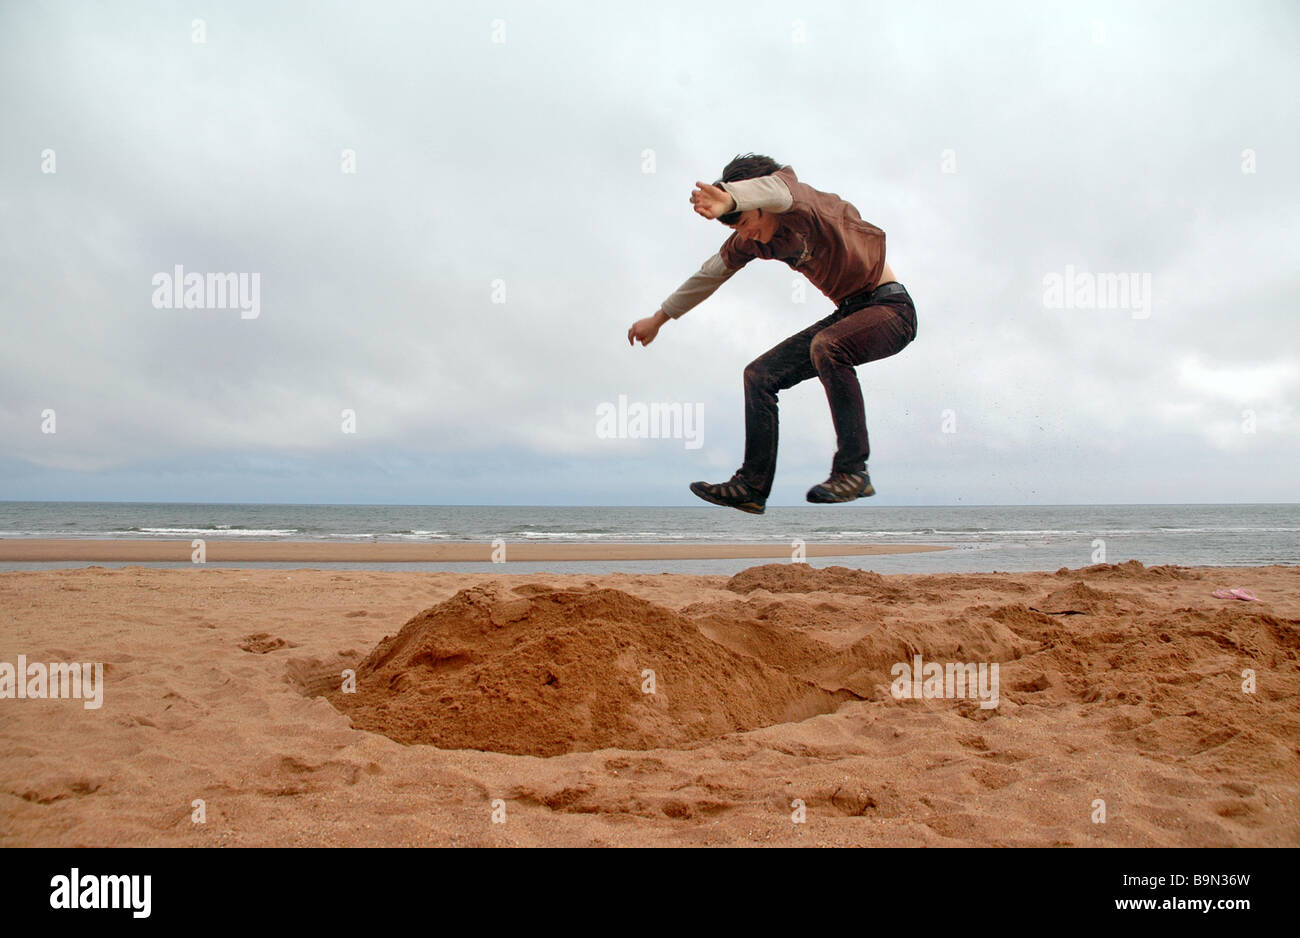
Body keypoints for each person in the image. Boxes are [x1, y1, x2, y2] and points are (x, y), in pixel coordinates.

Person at [627, 153, 917, 514]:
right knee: (760, 375)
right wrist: (659, 318)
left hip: (891, 309)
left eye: (746, 220)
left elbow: (778, 189)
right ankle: (752, 486)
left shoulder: (802, 204)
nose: (745, 232)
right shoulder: (752, 240)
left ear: (760, 202)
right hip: (851, 313)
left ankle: (853, 470)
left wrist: (732, 196)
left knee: (827, 346)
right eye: (736, 229)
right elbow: (709, 274)